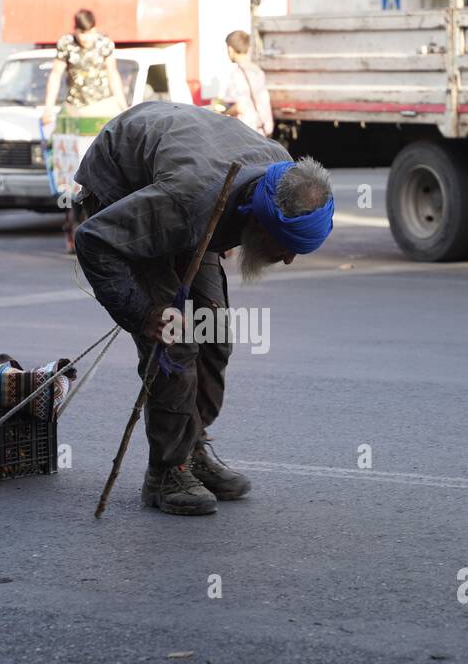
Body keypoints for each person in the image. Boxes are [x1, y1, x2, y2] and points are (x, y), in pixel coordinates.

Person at [73, 102, 334, 517]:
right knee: (175, 344)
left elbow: (223, 208)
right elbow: (94, 240)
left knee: (212, 333)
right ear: (260, 224)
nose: (287, 261)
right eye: (287, 248)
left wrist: (228, 231)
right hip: (124, 187)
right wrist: (142, 314)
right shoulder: (186, 203)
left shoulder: (281, 171)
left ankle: (191, 448)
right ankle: (165, 473)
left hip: (198, 193)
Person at [41, 9, 129, 252]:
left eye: (88, 33)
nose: (85, 39)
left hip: (101, 109)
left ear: (94, 29)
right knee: (73, 175)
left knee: (105, 168)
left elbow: (113, 74)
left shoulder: (104, 43)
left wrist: (123, 106)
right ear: (76, 30)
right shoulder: (66, 44)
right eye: (81, 33)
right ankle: (73, 227)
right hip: (75, 111)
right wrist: (49, 107)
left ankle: (105, 226)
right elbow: (56, 75)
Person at [216, 30, 274, 138]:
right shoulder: (257, 71)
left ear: (230, 49)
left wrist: (223, 114)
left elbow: (239, 107)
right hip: (263, 130)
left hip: (248, 134)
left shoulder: (237, 75)